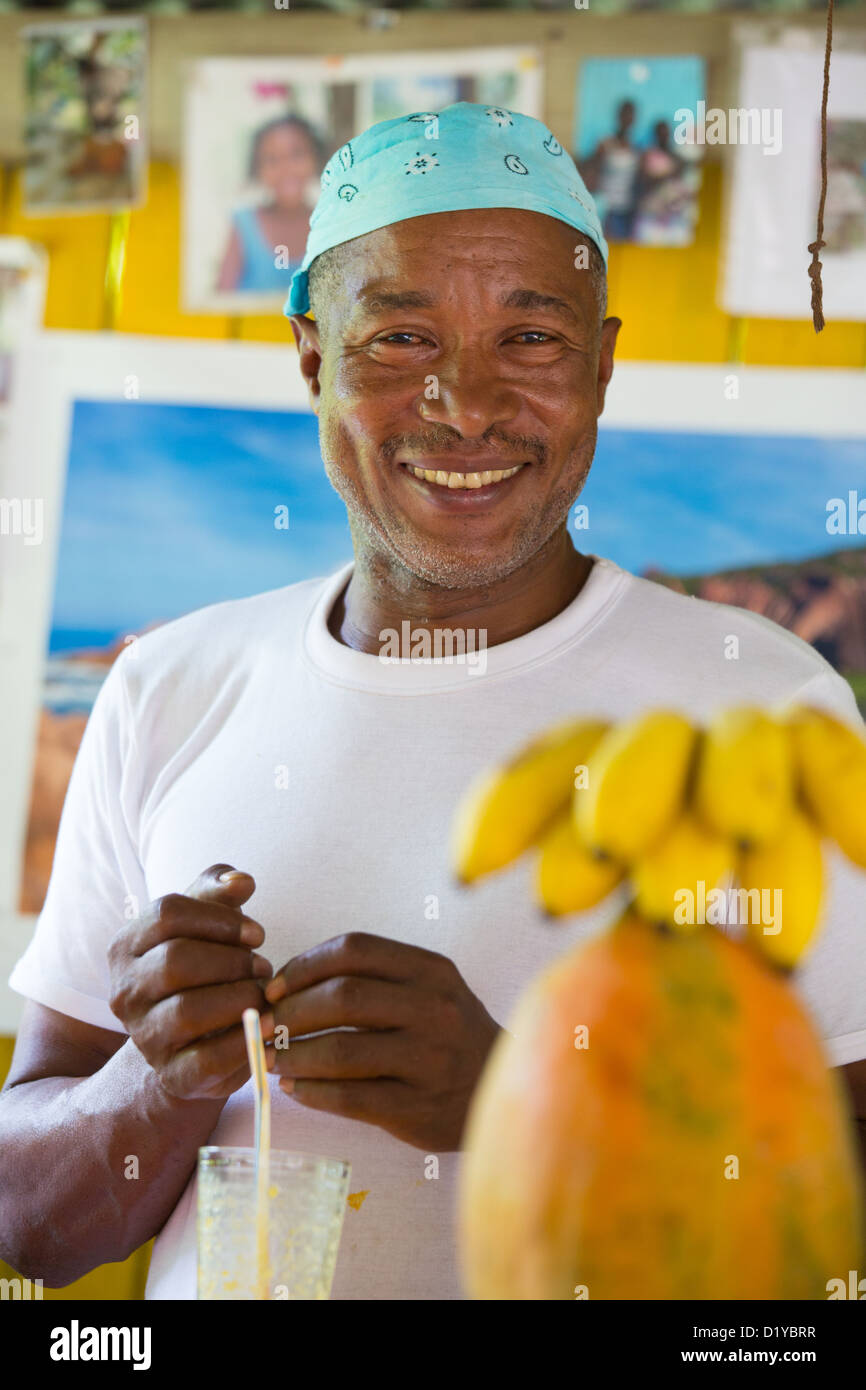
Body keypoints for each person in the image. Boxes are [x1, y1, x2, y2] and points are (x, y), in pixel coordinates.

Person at [1, 102, 864, 1302]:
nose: (464, 404)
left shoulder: (765, 714)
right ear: (313, 357)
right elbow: (32, 1230)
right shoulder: (166, 689)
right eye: (399, 338)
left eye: (529, 339)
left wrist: (522, 1101)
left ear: (601, 364)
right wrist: (153, 1084)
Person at [215, 114, 323, 294]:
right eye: (272, 159)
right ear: (258, 168)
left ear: (315, 158)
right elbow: (222, 298)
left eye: (296, 154)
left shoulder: (330, 224)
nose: (285, 168)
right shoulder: (244, 225)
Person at [579, 98, 640, 242]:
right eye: (625, 114)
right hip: (607, 207)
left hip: (627, 208)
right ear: (618, 116)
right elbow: (589, 167)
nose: (627, 118)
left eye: (630, 114)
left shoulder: (636, 147)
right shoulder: (606, 143)